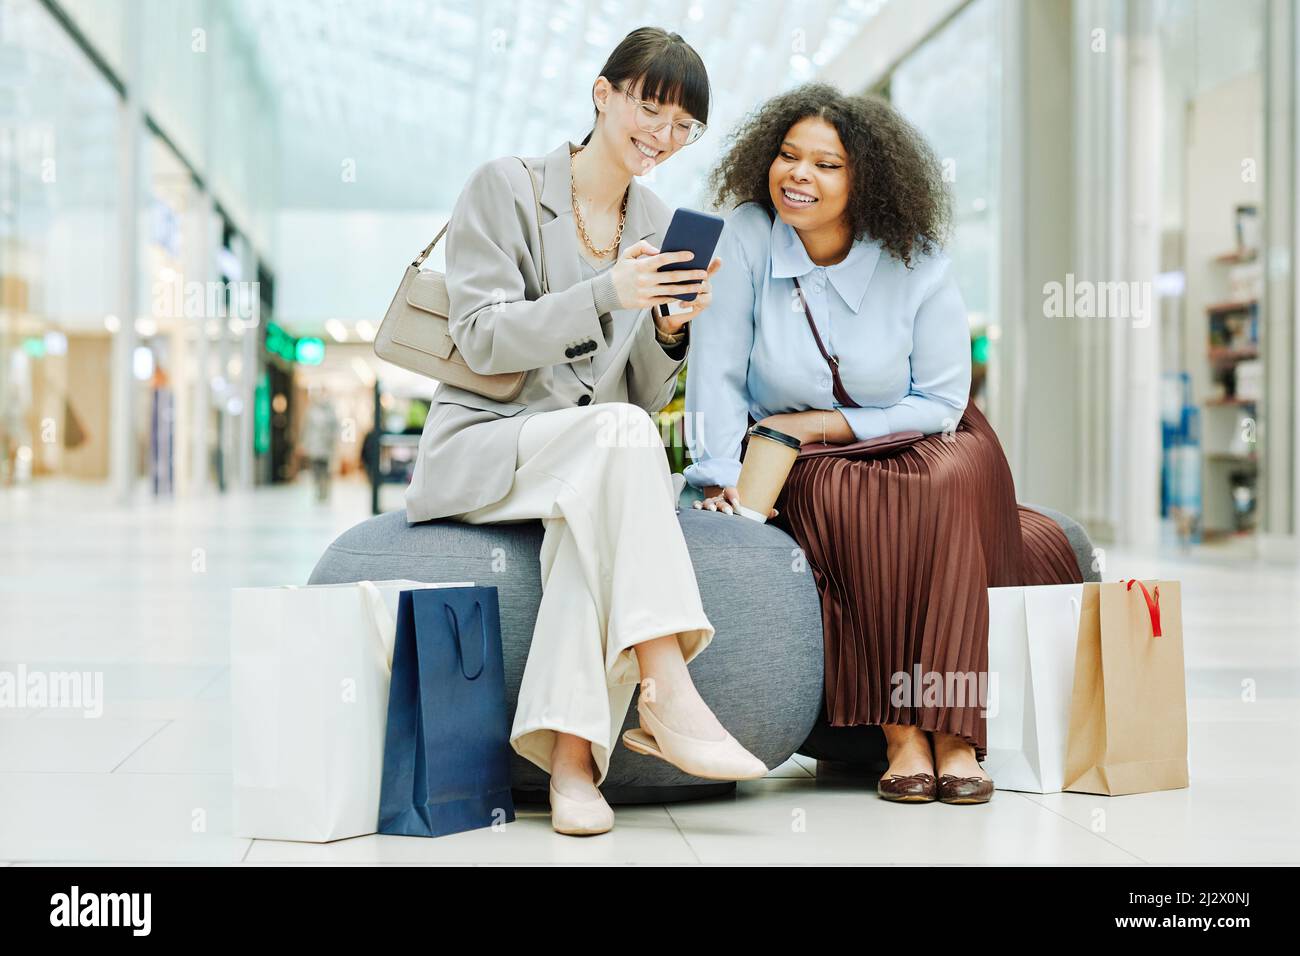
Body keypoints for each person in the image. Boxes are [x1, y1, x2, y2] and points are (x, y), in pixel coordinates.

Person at [404, 27, 766, 837]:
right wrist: (608, 290)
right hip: (488, 441)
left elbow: (635, 390)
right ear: (603, 95)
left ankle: (572, 770)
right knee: (621, 444)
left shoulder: (658, 217)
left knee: (605, 485)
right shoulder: (505, 188)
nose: (662, 135)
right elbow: (482, 337)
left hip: (589, 457)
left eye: (684, 125)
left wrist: (668, 331)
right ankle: (666, 686)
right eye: (650, 106)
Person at [685, 84, 1083, 806]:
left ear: (866, 178)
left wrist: (825, 424)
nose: (799, 175)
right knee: (857, 499)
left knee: (953, 481)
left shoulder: (914, 254)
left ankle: (957, 732)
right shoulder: (745, 233)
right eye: (788, 156)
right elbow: (713, 369)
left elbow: (940, 402)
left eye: (827, 164)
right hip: (803, 458)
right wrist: (718, 478)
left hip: (925, 433)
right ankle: (903, 728)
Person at [300, 390, 339, 503]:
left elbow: (335, 429)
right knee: (316, 469)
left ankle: (325, 491)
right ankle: (318, 490)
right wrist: (304, 444)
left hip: (327, 446)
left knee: (326, 470)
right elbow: (306, 429)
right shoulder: (311, 411)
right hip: (315, 446)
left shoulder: (331, 412)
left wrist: (333, 442)